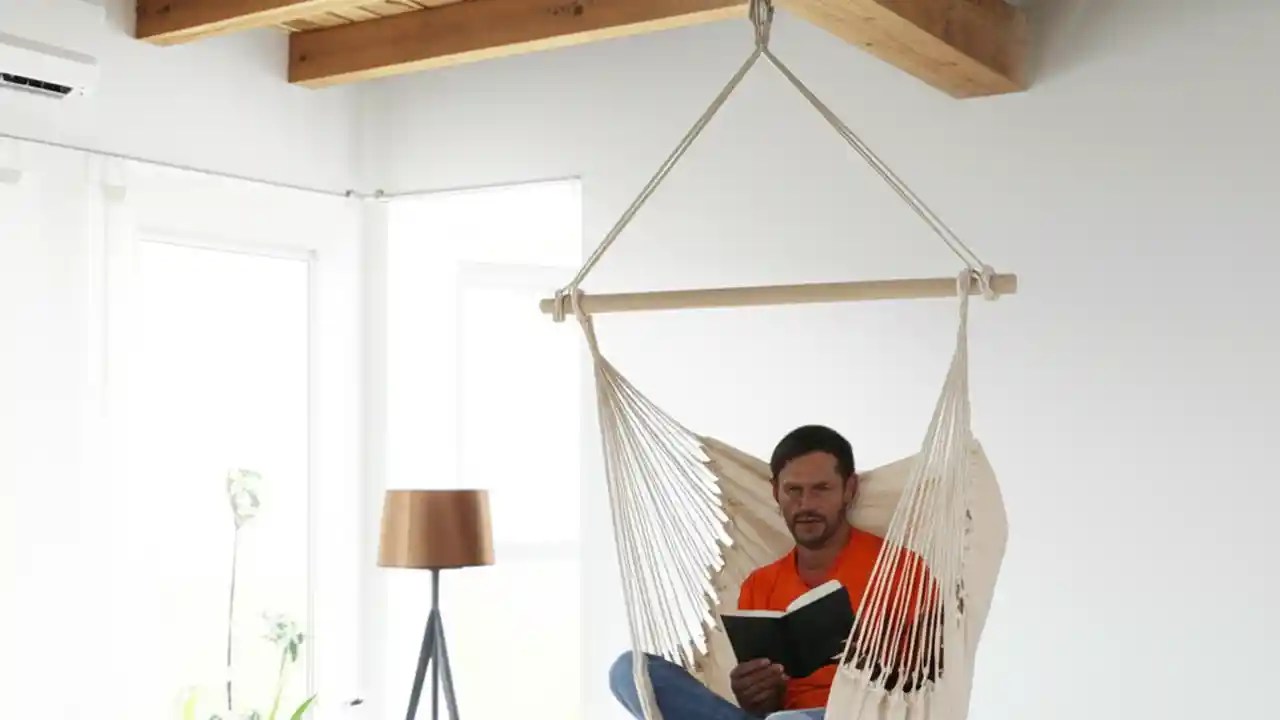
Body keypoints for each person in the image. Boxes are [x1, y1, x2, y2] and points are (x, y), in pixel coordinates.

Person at [609, 424, 932, 719]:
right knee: (630, 672)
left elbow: (929, 684)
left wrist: (869, 662)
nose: (806, 504)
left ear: (849, 489)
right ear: (775, 491)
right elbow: (763, 709)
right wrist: (755, 692)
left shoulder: (900, 569)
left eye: (821, 489)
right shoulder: (759, 584)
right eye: (793, 490)